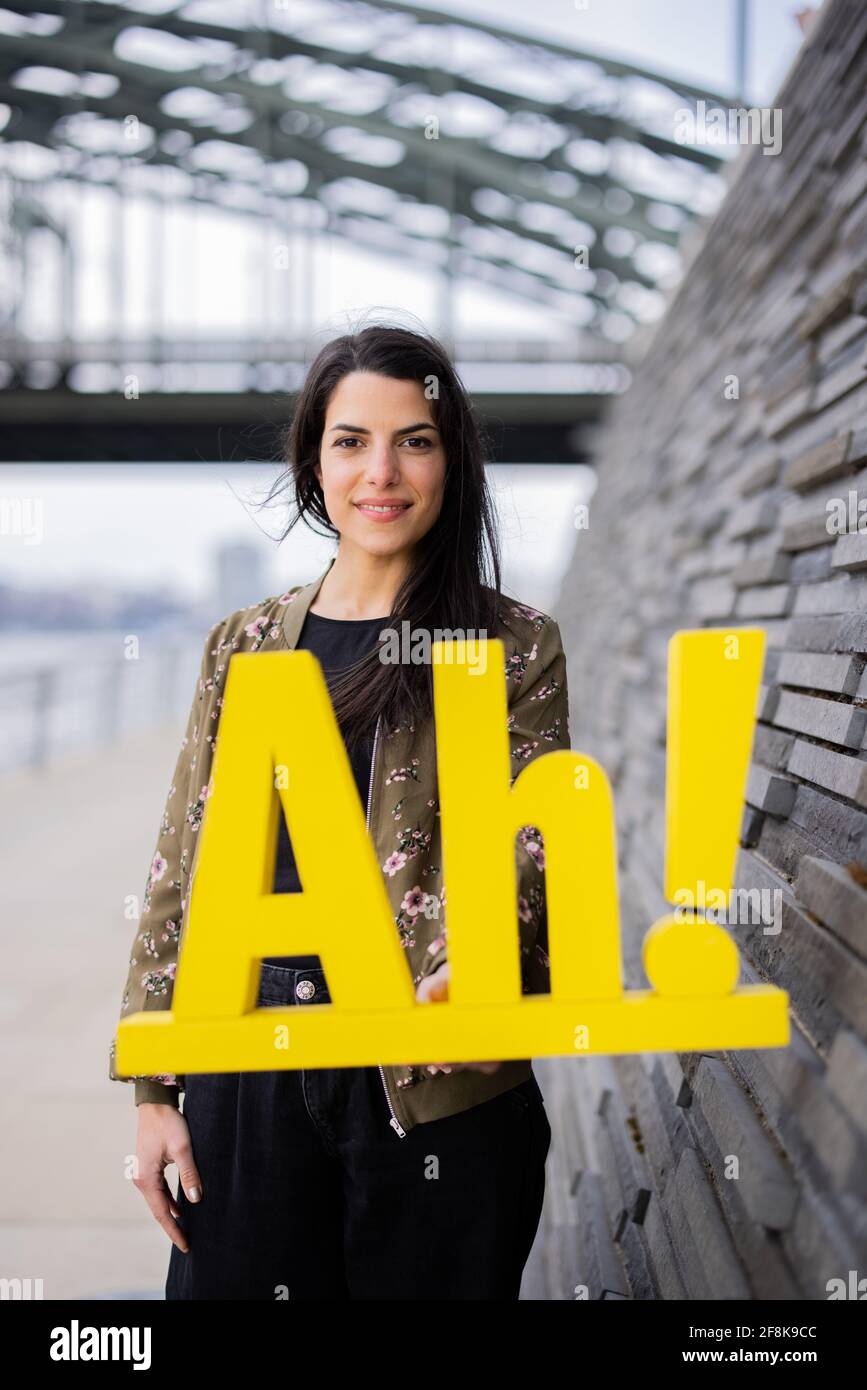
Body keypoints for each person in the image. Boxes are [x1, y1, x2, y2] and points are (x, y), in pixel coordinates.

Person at [109, 322, 571, 1300]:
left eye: (416, 439)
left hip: (435, 1077)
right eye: (352, 440)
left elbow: (535, 844)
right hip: (252, 1066)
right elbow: (179, 865)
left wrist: (471, 976)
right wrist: (153, 1085)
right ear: (314, 462)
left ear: (453, 460)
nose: (382, 471)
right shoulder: (247, 646)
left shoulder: (516, 646)